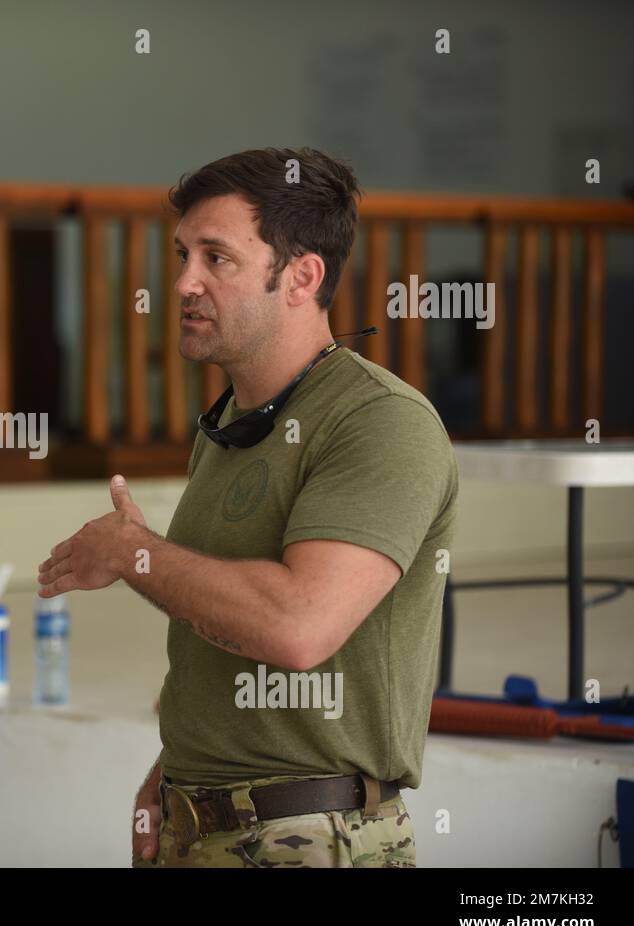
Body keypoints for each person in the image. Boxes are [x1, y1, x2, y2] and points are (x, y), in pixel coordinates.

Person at [37, 147, 457, 867]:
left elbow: (296, 626)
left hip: (315, 841)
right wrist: (176, 780)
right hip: (198, 827)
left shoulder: (382, 422)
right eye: (181, 254)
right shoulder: (232, 421)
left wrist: (135, 552)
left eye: (216, 258)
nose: (183, 283)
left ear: (302, 276)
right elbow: (225, 638)